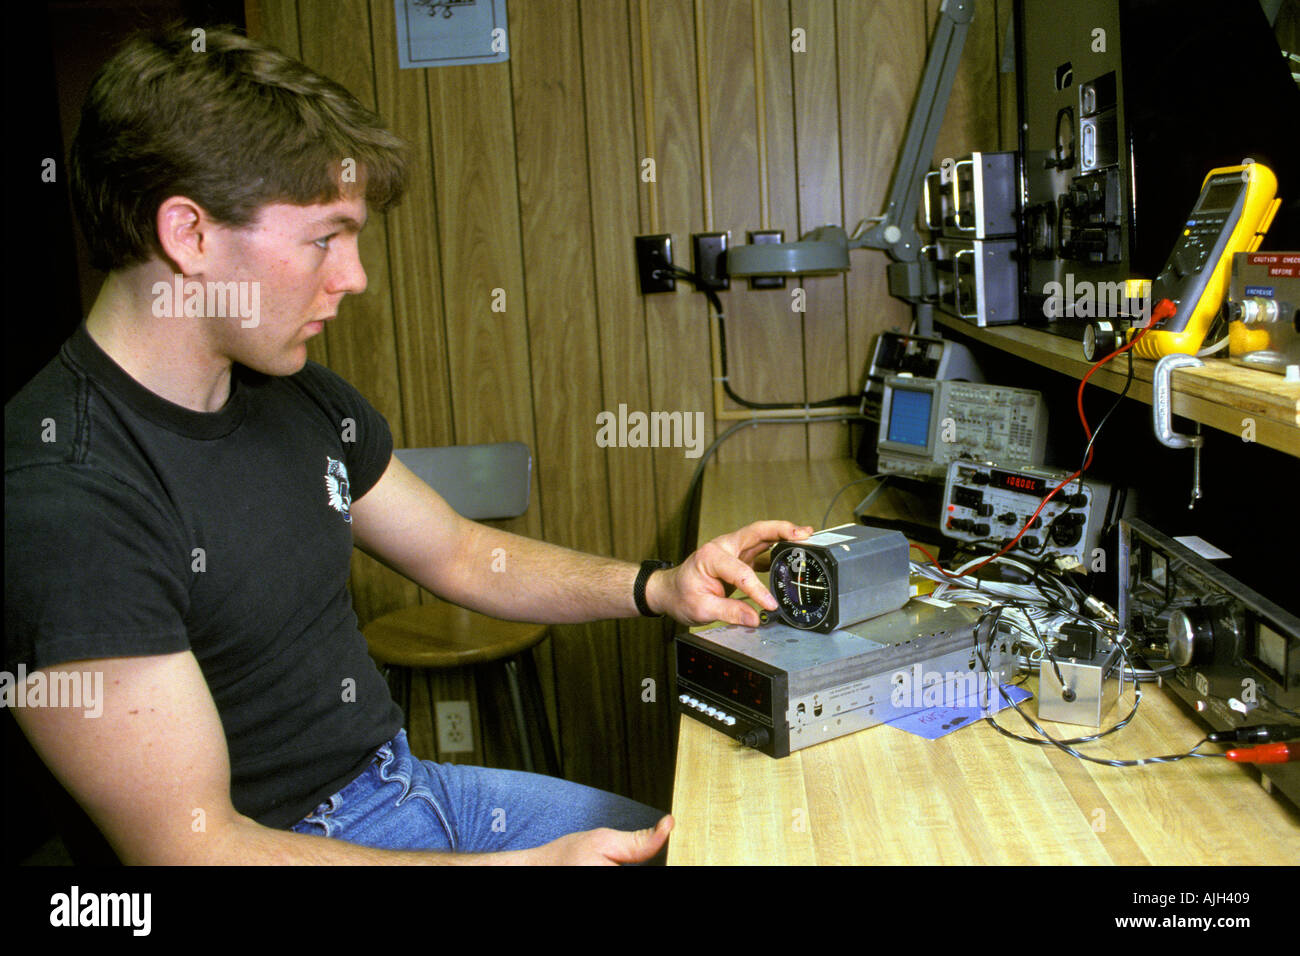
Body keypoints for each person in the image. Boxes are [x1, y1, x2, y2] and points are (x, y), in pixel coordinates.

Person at [4, 25, 811, 865]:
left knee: (705, 847)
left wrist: (658, 589)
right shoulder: (60, 496)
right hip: (282, 850)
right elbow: (194, 851)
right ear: (190, 234)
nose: (354, 277)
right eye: (325, 237)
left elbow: (460, 554)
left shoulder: (291, 391)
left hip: (403, 786)